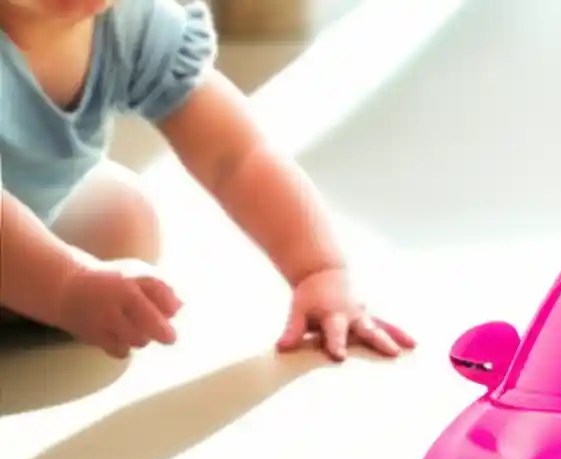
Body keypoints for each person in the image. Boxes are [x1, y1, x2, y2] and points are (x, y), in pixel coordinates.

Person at [0, 0, 414, 361]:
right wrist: (66, 285)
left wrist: (319, 271)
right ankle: (33, 286)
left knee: (125, 219)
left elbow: (236, 155)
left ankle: (25, 286)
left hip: (30, 217)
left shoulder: (129, 21)